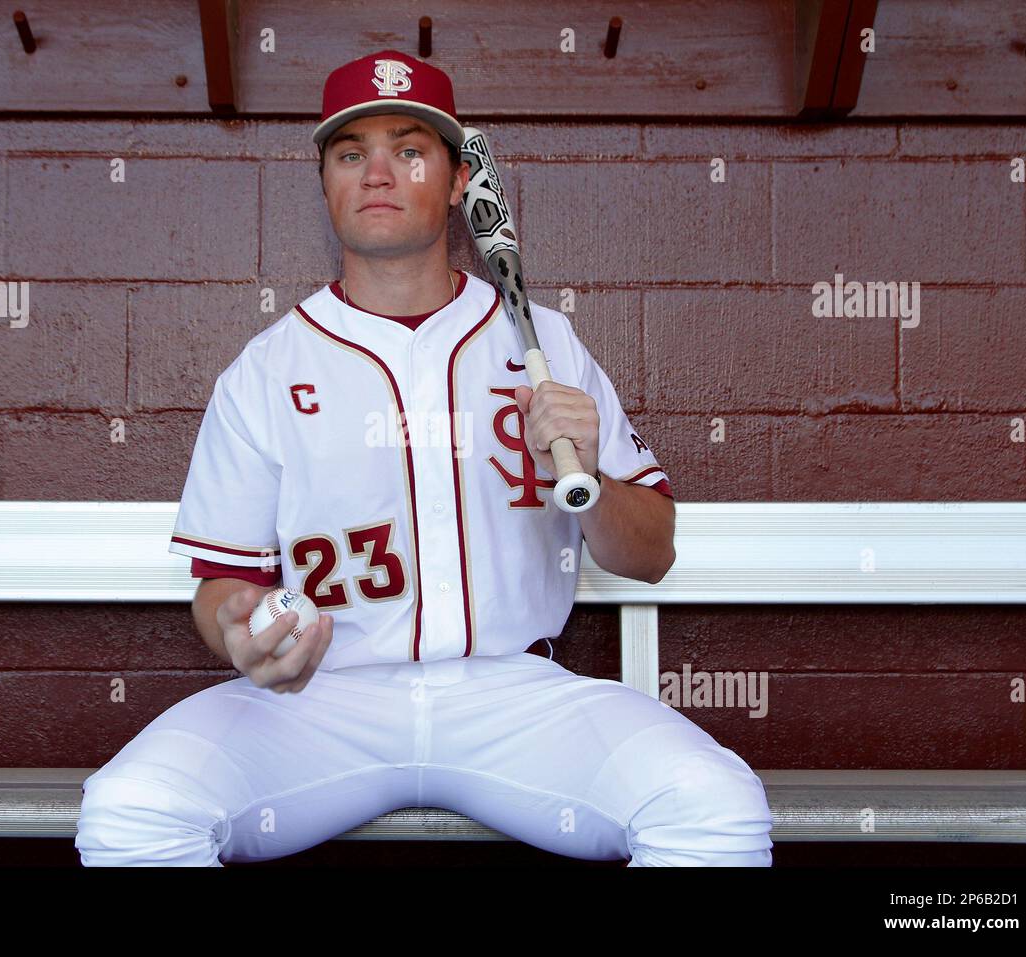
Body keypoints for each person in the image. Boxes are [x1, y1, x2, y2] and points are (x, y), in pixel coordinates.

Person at [74, 49, 774, 866]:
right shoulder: (266, 369)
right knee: (131, 812)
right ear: (326, 183)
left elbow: (651, 554)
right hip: (319, 699)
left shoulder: (544, 343)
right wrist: (240, 633)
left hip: (514, 695)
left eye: (409, 150)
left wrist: (588, 474)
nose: (377, 172)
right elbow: (222, 584)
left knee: (714, 807)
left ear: (453, 183)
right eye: (350, 154)